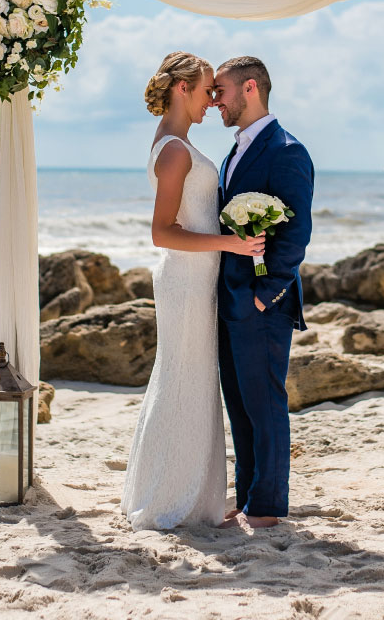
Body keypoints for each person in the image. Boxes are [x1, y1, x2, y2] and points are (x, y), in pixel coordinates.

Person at [121, 51, 265, 530]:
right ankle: (169, 499)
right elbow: (162, 231)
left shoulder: (174, 141)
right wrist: (233, 243)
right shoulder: (176, 150)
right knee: (182, 382)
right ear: (182, 88)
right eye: (207, 90)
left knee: (190, 381)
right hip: (186, 281)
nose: (212, 101)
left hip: (198, 280)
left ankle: (190, 497)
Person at [213, 56, 314, 529]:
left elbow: (296, 237)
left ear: (249, 88)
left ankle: (269, 505)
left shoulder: (287, 151)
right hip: (230, 301)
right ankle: (251, 495)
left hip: (262, 305)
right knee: (239, 404)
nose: (215, 101)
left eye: (221, 92)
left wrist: (264, 294)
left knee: (265, 404)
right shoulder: (234, 152)